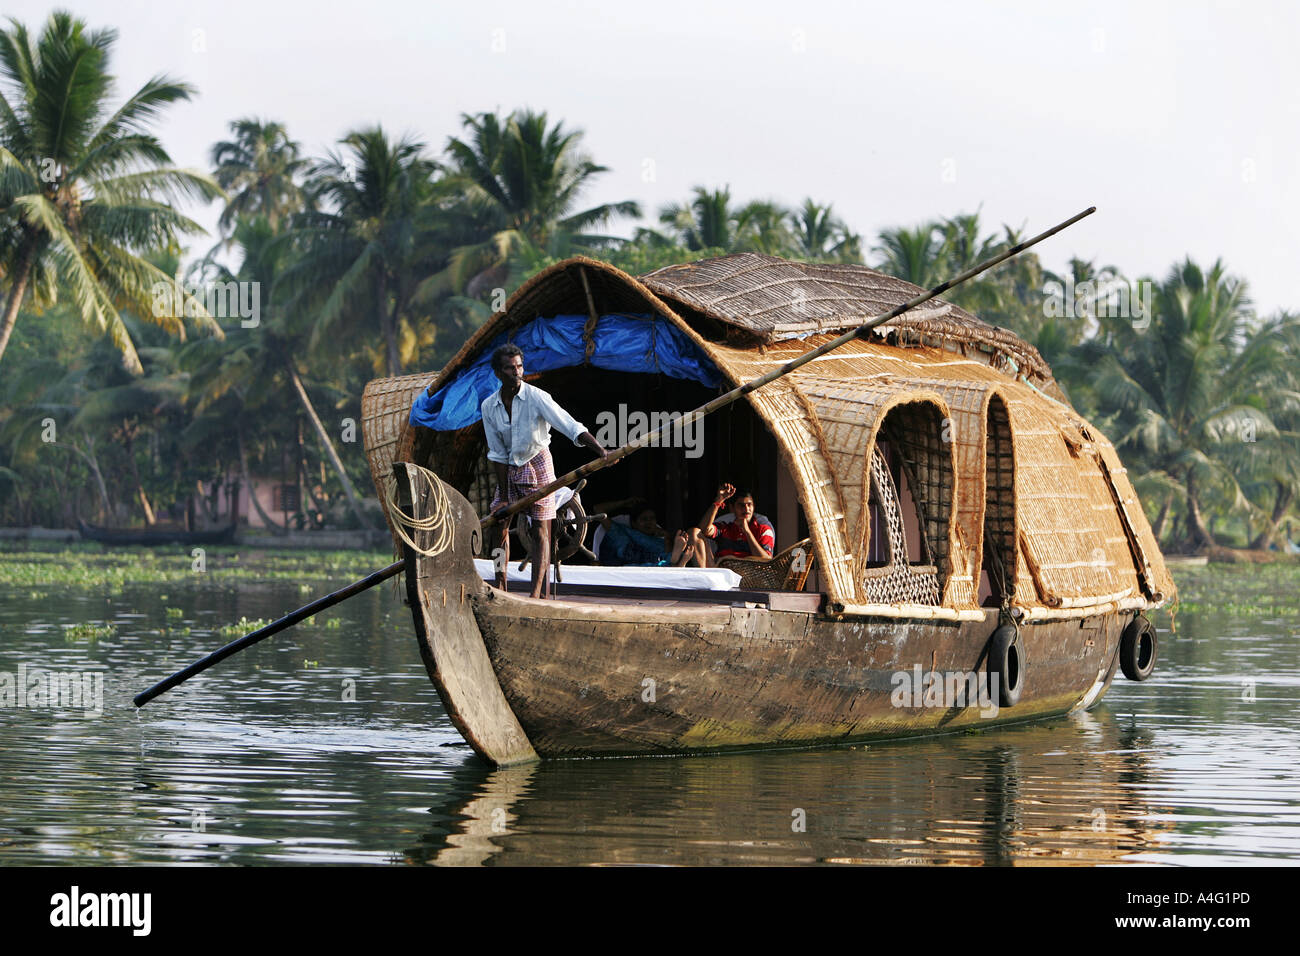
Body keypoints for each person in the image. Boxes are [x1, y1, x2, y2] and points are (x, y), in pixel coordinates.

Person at [483, 344, 608, 598]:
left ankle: (536, 594)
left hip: (538, 463)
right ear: (498, 373)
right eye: (509, 368)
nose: (516, 372)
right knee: (499, 525)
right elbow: (496, 454)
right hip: (508, 468)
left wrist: (601, 451)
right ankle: (500, 585)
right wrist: (505, 497)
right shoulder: (489, 407)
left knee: (541, 529)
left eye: (519, 366)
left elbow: (569, 425)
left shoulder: (536, 397)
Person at [676, 483, 775, 568]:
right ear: (732, 508)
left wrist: (747, 532)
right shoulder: (725, 528)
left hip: (749, 576)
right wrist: (719, 501)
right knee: (694, 532)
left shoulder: (763, 529)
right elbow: (703, 529)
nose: (746, 509)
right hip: (721, 574)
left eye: (749, 505)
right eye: (741, 505)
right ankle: (705, 579)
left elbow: (766, 561)